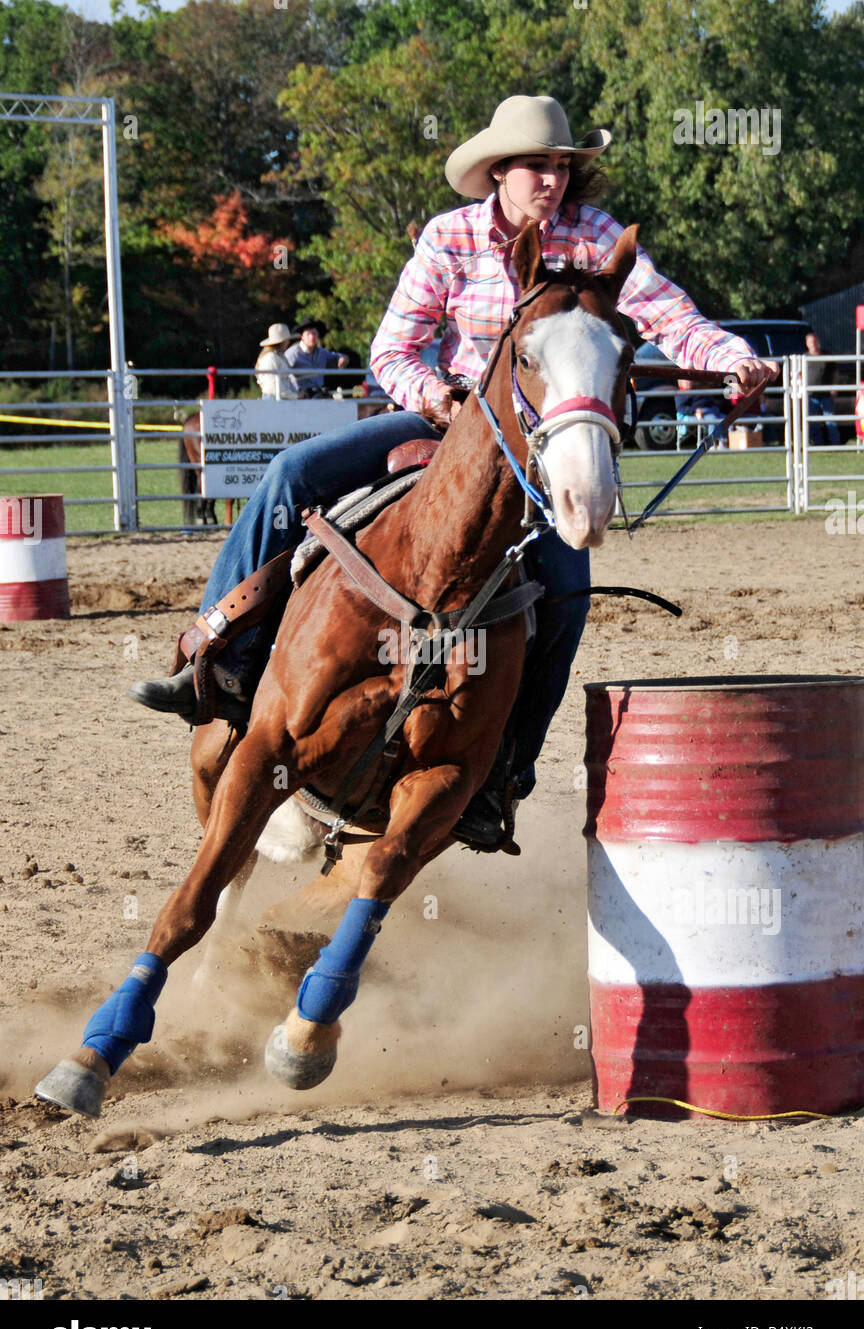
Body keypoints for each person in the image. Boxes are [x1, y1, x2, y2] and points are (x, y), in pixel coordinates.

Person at [129, 95, 776, 846]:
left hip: (537, 445)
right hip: (449, 419)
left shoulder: (599, 238)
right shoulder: (451, 236)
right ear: (499, 170)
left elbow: (669, 317)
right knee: (291, 476)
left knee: (567, 596)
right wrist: (435, 394)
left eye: (563, 166)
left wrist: (732, 357)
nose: (553, 179)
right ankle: (212, 656)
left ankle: (503, 772)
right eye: (538, 164)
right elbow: (392, 350)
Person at [285, 320, 349, 397]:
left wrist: (342, 359)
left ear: (318, 335)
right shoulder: (293, 353)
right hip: (301, 395)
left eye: (314, 334)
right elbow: (283, 373)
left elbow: (340, 358)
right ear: (302, 336)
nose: (312, 337)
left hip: (319, 393)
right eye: (308, 334)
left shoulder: (322, 352)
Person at [805, 332, 840, 446]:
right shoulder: (804, 358)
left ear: (818, 342)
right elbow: (798, 375)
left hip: (825, 394)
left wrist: (835, 387)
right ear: (807, 344)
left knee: (830, 419)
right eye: (811, 342)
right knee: (813, 421)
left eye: (815, 341)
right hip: (811, 395)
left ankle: (835, 443)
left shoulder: (827, 355)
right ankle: (817, 443)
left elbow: (835, 373)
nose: (813, 344)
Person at [255, 323, 296, 400]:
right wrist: (295, 396)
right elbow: (273, 386)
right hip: (274, 400)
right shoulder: (270, 358)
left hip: (280, 399)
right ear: (284, 341)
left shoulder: (278, 356)